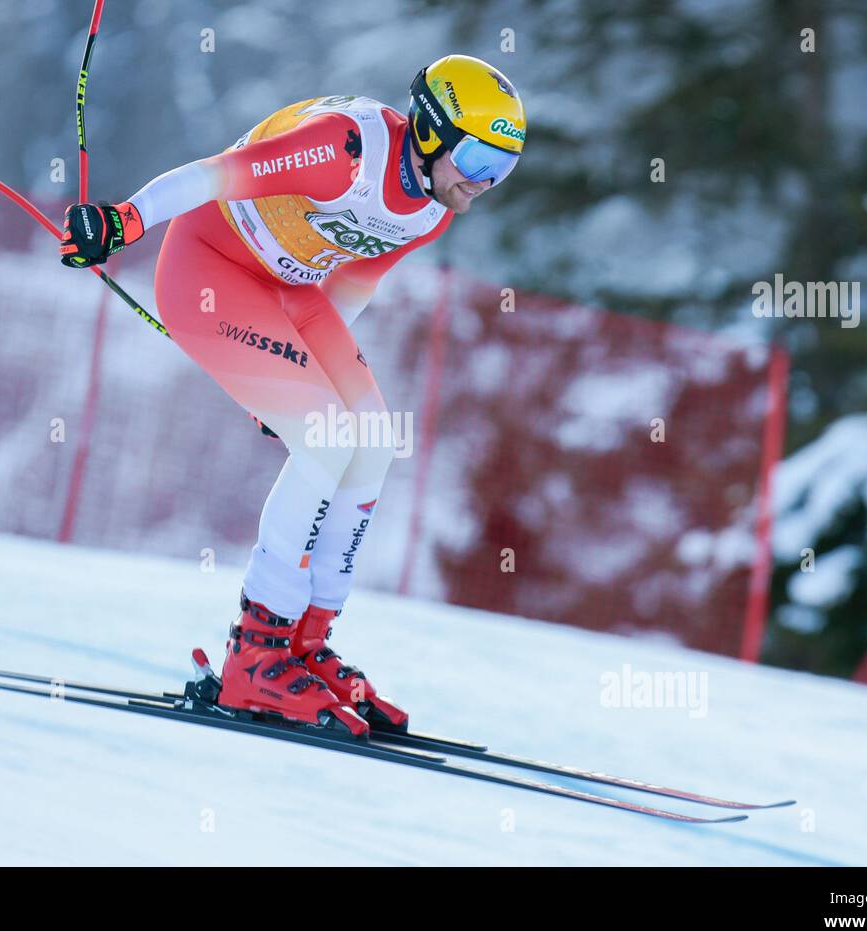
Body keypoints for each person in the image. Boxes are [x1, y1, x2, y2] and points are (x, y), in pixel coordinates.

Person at [59, 54, 526, 736]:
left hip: (292, 293)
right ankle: (256, 655)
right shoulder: (344, 150)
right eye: (480, 157)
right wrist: (123, 221)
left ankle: (304, 645)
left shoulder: (433, 209)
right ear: (430, 132)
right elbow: (213, 174)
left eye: (503, 168)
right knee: (329, 438)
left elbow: (353, 287)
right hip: (210, 272)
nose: (485, 181)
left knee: (370, 445)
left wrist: (302, 374)